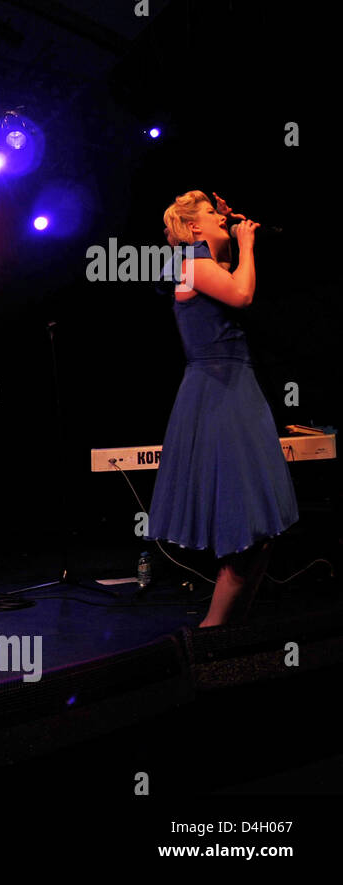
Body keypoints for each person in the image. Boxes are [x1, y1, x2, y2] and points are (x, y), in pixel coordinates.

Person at [147, 190, 298, 627]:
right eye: (212, 214)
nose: (222, 218)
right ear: (193, 227)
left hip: (238, 387)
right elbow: (242, 295)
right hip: (218, 392)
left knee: (263, 538)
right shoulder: (192, 264)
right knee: (244, 536)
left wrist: (232, 229)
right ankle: (210, 638)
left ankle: (231, 636)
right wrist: (247, 244)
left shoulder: (207, 263)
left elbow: (230, 271)